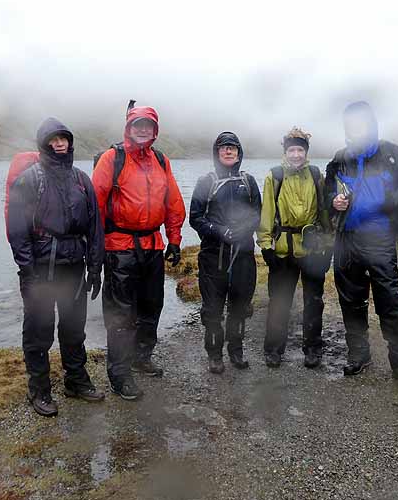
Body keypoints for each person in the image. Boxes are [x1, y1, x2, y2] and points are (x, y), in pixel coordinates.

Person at [7, 118, 105, 417]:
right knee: (39, 331)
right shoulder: (30, 180)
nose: (60, 143)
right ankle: (39, 389)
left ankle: (75, 380)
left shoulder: (80, 180)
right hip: (40, 268)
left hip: (74, 266)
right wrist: (27, 270)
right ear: (44, 144)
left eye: (64, 138)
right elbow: (17, 230)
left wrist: (95, 267)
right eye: (54, 139)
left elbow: (94, 225)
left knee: (74, 328)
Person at [325, 101, 398, 390]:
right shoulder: (338, 159)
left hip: (379, 240)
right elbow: (327, 197)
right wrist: (334, 202)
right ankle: (359, 354)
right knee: (350, 302)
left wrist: (385, 202)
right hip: (346, 241)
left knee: (390, 303)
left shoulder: (391, 154)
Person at [92, 104, 186, 401]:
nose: (143, 130)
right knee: (121, 314)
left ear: (155, 131)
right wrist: (94, 249)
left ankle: (141, 357)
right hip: (119, 247)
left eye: (149, 126)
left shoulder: (161, 160)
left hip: (152, 246)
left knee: (151, 306)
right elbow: (94, 204)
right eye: (138, 125)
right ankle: (119, 375)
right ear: (128, 128)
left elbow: (173, 201)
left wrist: (174, 239)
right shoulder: (111, 159)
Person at [257, 127, 332, 369]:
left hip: (312, 249)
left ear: (306, 151)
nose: (296, 154)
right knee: (279, 301)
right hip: (283, 250)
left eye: (301, 149)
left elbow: (324, 213)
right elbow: (266, 213)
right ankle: (274, 350)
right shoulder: (274, 176)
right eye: (292, 149)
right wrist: (266, 247)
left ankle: (312, 349)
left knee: (314, 301)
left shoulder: (315, 174)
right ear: (285, 152)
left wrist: (328, 247)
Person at [189, 132, 261, 373]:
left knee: (240, 307)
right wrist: (219, 231)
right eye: (224, 148)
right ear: (216, 152)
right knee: (212, 310)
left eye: (233, 148)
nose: (228, 151)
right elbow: (195, 218)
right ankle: (214, 353)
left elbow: (257, 213)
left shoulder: (249, 182)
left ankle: (236, 350)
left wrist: (243, 230)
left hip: (243, 256)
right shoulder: (205, 182)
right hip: (213, 257)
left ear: (239, 153)